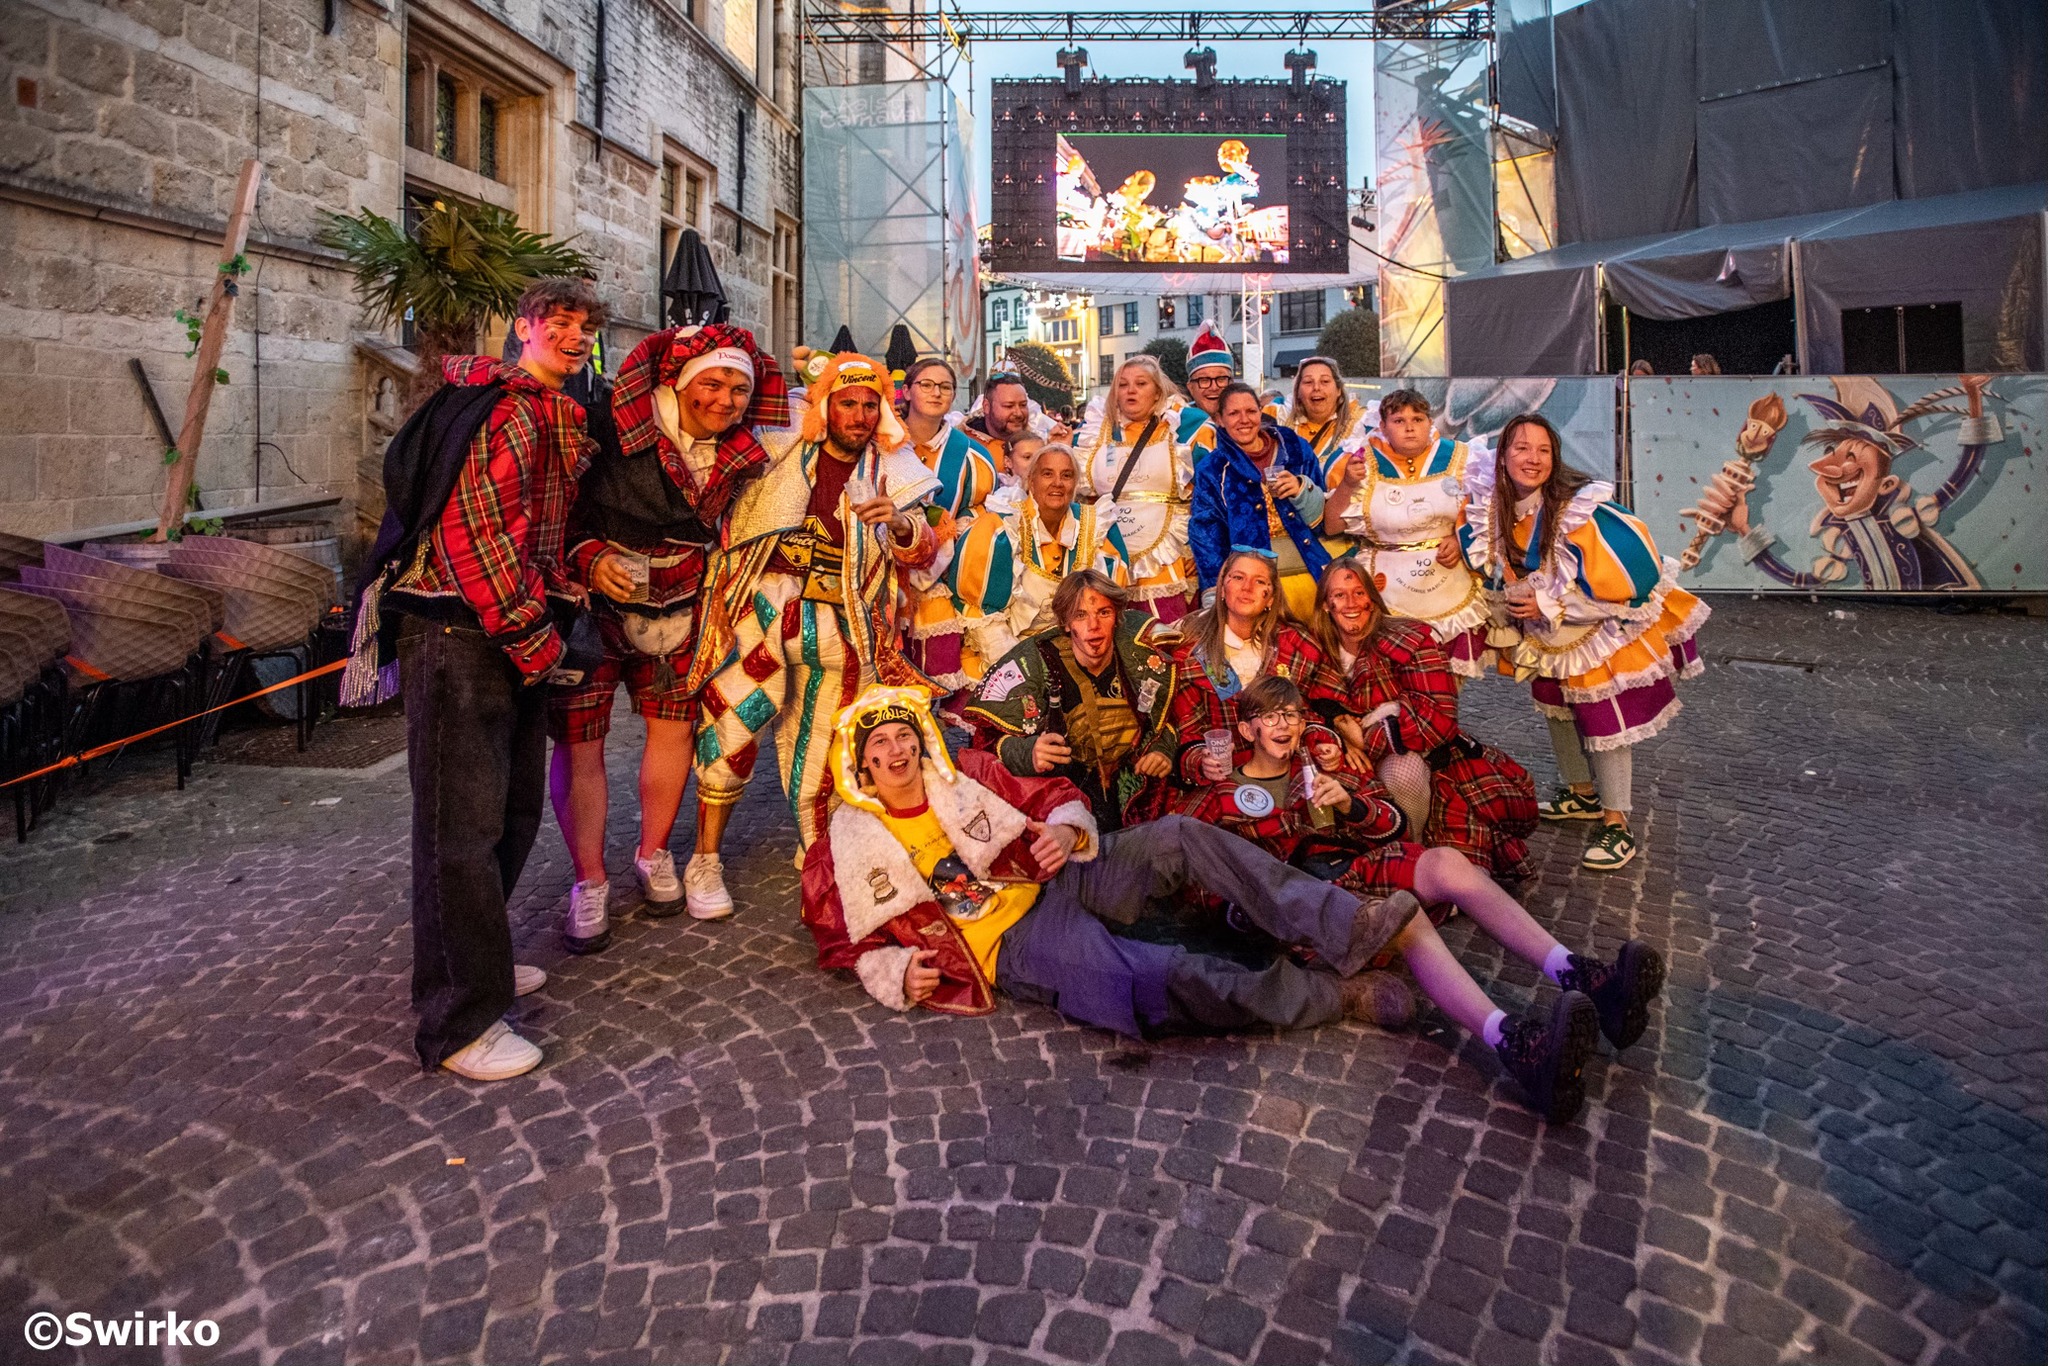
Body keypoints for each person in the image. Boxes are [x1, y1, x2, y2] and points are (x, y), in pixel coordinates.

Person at [801, 685, 1428, 1046]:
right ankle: (1332, 997)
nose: (897, 748)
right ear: (861, 765)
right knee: (1151, 976)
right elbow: (838, 936)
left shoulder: (968, 774)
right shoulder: (846, 846)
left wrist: (1067, 830)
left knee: (1181, 835)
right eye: (879, 742)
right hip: (1016, 943)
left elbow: (1050, 797)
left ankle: (1346, 925)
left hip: (1060, 875)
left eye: (903, 734)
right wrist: (891, 970)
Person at [1185, 675, 1666, 1122]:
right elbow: (1198, 880)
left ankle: (1582, 976)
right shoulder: (1221, 793)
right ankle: (1517, 1046)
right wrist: (1247, 909)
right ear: (1247, 729)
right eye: (1269, 716)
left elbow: (1393, 822)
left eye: (1291, 714)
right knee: (1404, 918)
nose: (1283, 725)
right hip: (1301, 906)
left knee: (1448, 862)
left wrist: (1351, 804)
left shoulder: (1319, 770)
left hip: (1351, 869)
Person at [341, 277, 604, 1081]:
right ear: (524, 327)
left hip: (501, 633)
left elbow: (531, 532)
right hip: (460, 633)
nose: (575, 338)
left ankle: (474, 964)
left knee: (510, 813)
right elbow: (474, 534)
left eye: (585, 329)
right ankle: (460, 1021)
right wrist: (535, 637)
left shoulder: (549, 408)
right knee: (460, 832)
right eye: (560, 324)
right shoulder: (511, 408)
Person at [547, 323, 786, 950]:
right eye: (712, 382)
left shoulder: (744, 451)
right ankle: (589, 879)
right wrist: (588, 553)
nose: (726, 399)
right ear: (677, 384)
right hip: (591, 601)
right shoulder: (606, 426)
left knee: (674, 727)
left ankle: (653, 852)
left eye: (739, 388)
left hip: (686, 597)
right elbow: (555, 505)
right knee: (580, 743)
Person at [684, 352, 942, 909]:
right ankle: (704, 860)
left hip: (843, 629)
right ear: (825, 404)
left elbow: (923, 548)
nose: (859, 415)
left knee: (825, 746)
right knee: (731, 734)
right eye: (848, 403)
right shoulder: (775, 454)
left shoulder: (894, 469)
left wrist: (897, 523)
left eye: (870, 405)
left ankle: (821, 852)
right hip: (762, 616)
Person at [1460, 413, 1708, 871]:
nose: (1532, 459)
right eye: (1521, 448)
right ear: (1502, 456)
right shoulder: (1498, 506)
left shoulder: (1582, 509)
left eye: (1543, 450)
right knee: (1556, 706)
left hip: (1597, 630)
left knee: (1604, 720)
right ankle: (1582, 794)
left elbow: (1634, 578)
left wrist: (1554, 606)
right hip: (1551, 636)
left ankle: (1617, 823)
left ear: (1555, 458)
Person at [1302, 558, 1537, 880]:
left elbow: (1437, 719)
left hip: (1419, 756)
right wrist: (1336, 737)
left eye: (1359, 592)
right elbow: (1300, 706)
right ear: (1326, 604)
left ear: (1373, 598)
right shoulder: (1312, 645)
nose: (1351, 603)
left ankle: (1411, 859)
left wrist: (1363, 738)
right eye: (1340, 595)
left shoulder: (1413, 637)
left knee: (1404, 771)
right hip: (1339, 757)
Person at [965, 569, 1178, 834]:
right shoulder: (1036, 661)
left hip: (1134, 793)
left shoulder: (1139, 654)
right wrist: (1027, 753)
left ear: (1117, 618)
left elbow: (1173, 718)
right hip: (1063, 798)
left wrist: (1162, 751)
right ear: (1066, 623)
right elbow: (984, 743)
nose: (1093, 626)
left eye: (1103, 612)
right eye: (1080, 615)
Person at [1326, 387, 1491, 678]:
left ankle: (1443, 722)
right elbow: (1332, 526)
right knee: (1392, 674)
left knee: (1448, 679)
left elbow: (1486, 515)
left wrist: (1460, 539)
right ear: (1383, 426)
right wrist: (1349, 484)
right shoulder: (1359, 461)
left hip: (1449, 584)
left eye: (1418, 419)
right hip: (1386, 587)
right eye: (1399, 420)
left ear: (1431, 422)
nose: (1410, 427)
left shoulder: (1464, 458)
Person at [947, 443, 1132, 679]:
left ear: (1075, 484)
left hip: (1079, 651)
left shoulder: (1098, 527)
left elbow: (1107, 609)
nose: (1057, 483)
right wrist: (1021, 672)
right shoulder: (1000, 528)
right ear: (1030, 481)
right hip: (1011, 654)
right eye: (1047, 474)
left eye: (1066, 475)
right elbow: (983, 617)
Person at [1163, 548, 1326, 796]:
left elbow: (1314, 716)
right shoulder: (1189, 652)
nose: (1247, 587)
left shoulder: (1299, 645)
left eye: (1259, 581)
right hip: (1223, 781)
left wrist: (1327, 744)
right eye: (1238, 577)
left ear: (1270, 598)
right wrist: (1201, 760)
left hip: (1289, 772)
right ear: (1222, 588)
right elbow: (1187, 730)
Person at [899, 357, 1000, 694]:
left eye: (945, 387)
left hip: (936, 585)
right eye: (926, 384)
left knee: (933, 685)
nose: (936, 392)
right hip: (881, 580)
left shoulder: (972, 457)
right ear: (906, 391)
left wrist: (951, 532)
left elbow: (979, 518)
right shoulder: (881, 443)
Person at [1190, 381, 1330, 621]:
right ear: (1220, 420)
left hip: (1311, 573)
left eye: (1251, 411)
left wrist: (1301, 490)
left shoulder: (1294, 448)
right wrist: (1215, 596)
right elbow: (1207, 536)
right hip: (1253, 591)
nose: (1244, 419)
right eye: (1234, 413)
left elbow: (1324, 521)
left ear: (1260, 412)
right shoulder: (1212, 469)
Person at [1074, 355, 1197, 622]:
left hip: (1161, 554)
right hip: (1105, 553)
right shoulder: (1095, 433)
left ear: (1156, 394)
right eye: (1123, 384)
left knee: (1163, 632)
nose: (1131, 390)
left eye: (1141, 383)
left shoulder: (1177, 431)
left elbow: (1194, 498)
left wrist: (1192, 550)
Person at [1285, 356, 1378, 485]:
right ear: (1298, 392)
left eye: (1325, 381)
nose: (1316, 387)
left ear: (1338, 390)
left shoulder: (1362, 423)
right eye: (1308, 382)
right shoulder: (1283, 426)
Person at [1177, 323, 1234, 447]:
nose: (1214, 387)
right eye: (1204, 380)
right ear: (1190, 388)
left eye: (1221, 379)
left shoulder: (1249, 423)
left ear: (1231, 383)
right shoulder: (1175, 428)